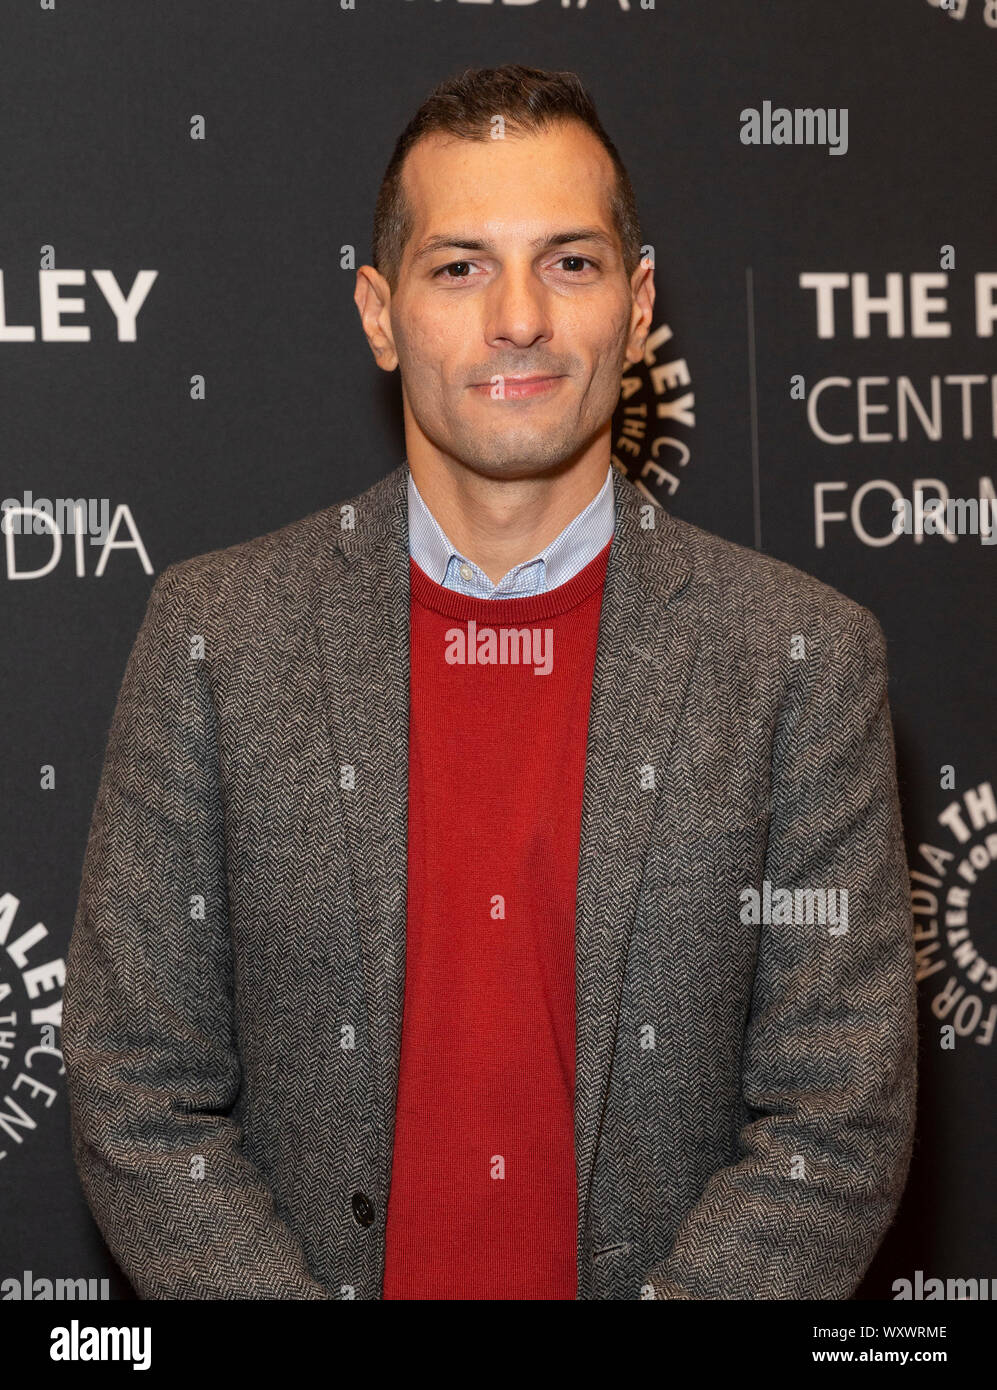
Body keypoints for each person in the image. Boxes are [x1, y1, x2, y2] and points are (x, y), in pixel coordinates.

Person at [62, 63, 917, 1301]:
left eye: (568, 262)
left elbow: (833, 1123)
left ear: (637, 304)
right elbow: (136, 1085)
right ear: (377, 310)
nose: (517, 317)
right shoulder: (215, 638)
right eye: (459, 265)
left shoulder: (802, 660)